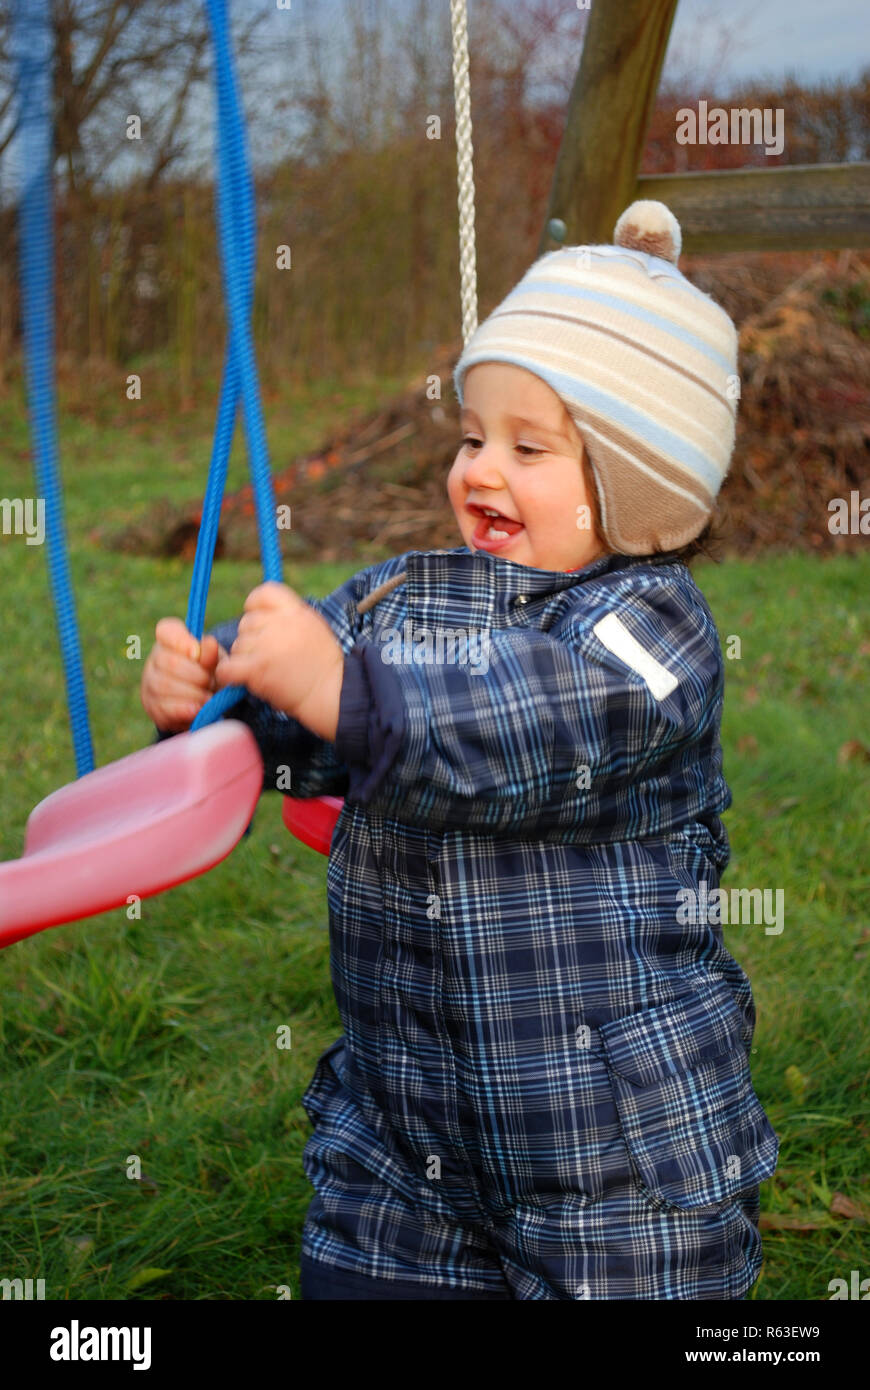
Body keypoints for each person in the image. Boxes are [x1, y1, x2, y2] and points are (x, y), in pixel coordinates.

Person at [141, 200, 780, 1300]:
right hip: (403, 1122)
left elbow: (530, 720)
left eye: (531, 447)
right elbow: (317, 749)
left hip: (610, 1144)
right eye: (474, 436)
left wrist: (346, 686)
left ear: (643, 487)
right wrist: (221, 706)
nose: (482, 469)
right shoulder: (401, 593)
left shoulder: (653, 631)